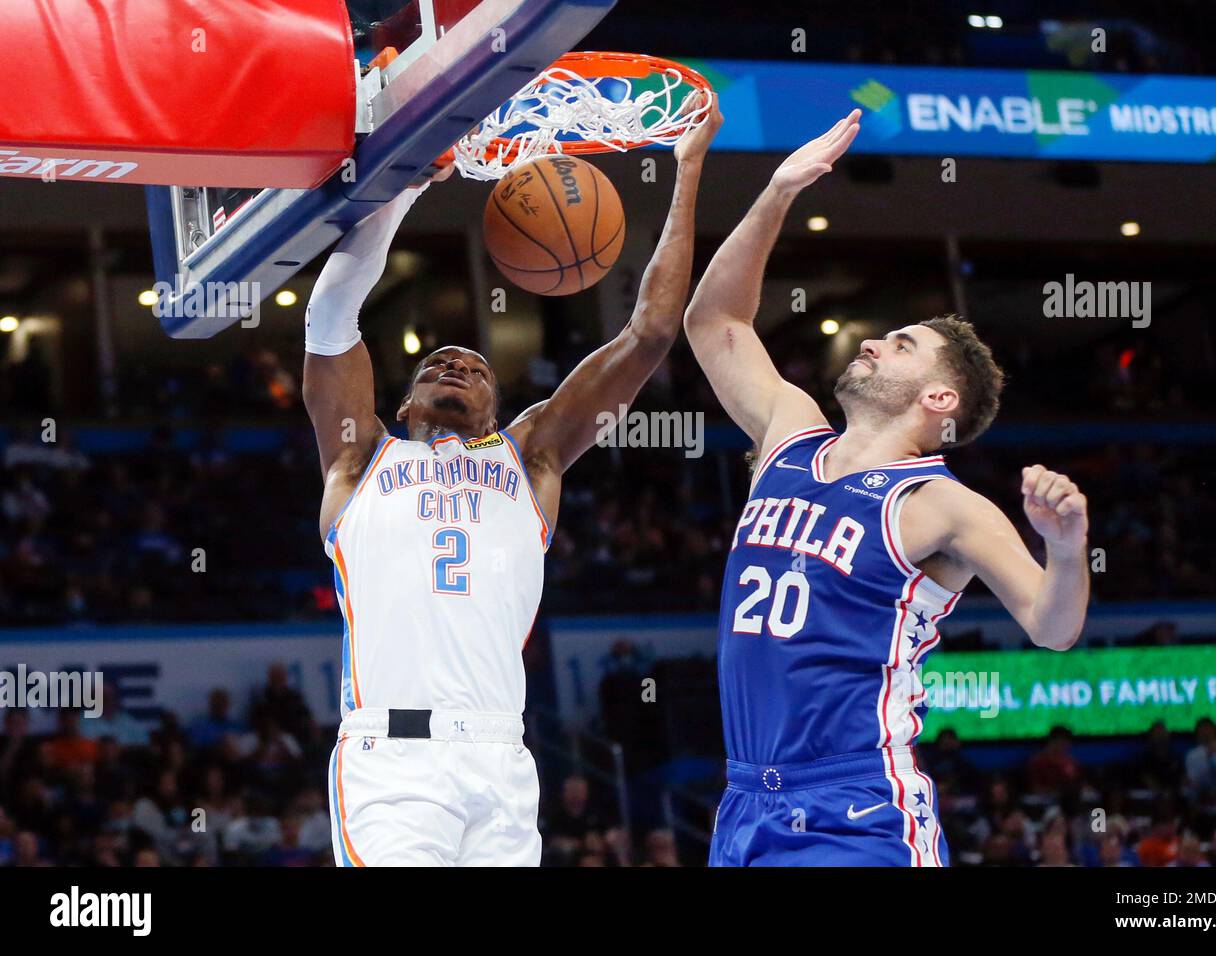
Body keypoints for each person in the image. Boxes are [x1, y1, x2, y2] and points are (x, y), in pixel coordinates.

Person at [302, 104, 721, 866]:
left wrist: (687, 169)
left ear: (501, 406)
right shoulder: (360, 461)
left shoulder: (530, 459)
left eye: (475, 365)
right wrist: (404, 188)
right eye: (436, 365)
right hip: (394, 763)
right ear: (400, 405)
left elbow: (651, 333)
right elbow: (331, 320)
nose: (455, 365)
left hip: (502, 759)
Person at [684, 110, 1089, 866]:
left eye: (900, 346)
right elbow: (714, 320)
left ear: (940, 400)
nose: (870, 341)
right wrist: (777, 191)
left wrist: (1065, 549)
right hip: (744, 802)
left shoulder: (943, 505)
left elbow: (1051, 625)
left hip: (856, 806)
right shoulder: (790, 433)